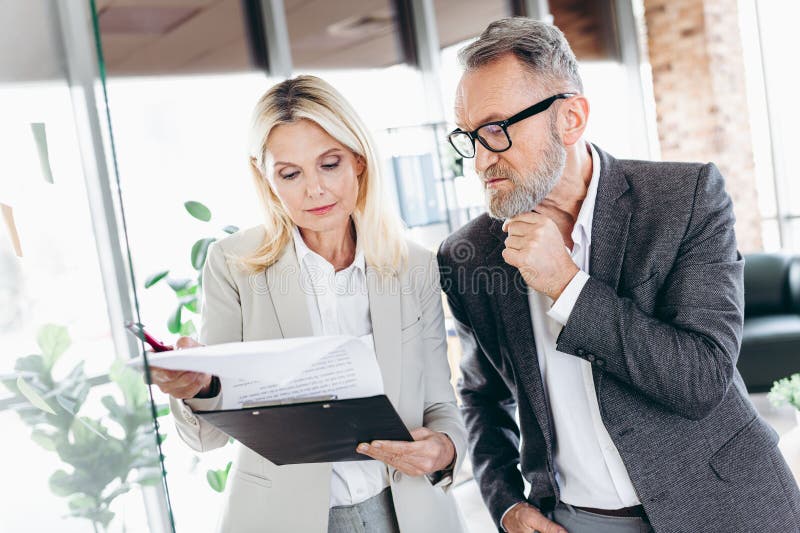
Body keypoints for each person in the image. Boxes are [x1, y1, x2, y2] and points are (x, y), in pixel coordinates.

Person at [437, 17, 800, 533]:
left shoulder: (686, 198)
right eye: (469, 136)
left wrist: (567, 286)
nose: (480, 159)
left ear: (570, 118)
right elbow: (480, 395)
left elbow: (701, 380)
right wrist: (507, 504)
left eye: (496, 129)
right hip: (578, 522)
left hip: (724, 508)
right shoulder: (468, 254)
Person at [150, 75, 467, 533]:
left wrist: (443, 448)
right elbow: (208, 438)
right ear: (266, 178)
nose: (315, 190)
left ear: (358, 160)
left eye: (330, 163)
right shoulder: (233, 265)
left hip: (407, 513)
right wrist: (197, 390)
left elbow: (441, 404)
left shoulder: (413, 266)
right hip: (286, 519)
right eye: (291, 173)